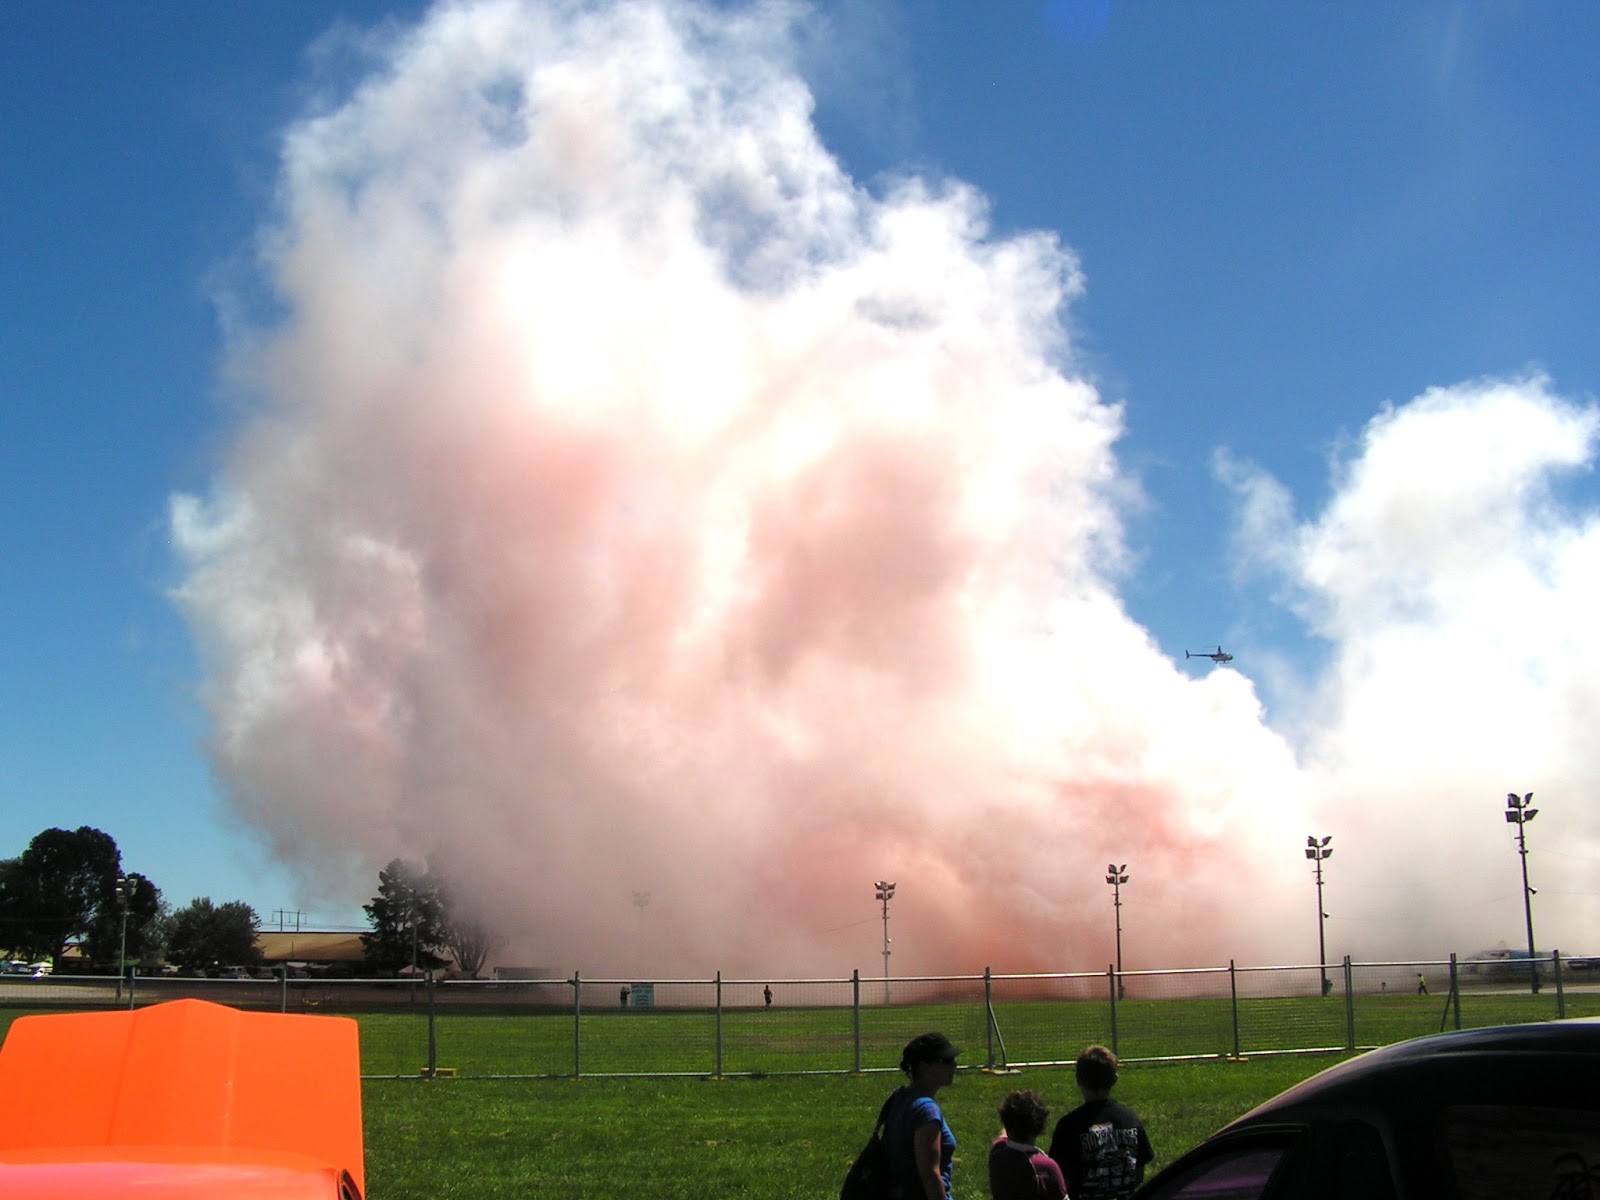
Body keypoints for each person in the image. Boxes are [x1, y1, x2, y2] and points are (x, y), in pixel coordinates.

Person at [1048, 1045, 1153, 1200]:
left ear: (1078, 1080)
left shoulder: (1068, 1126)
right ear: (1115, 1079)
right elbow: (1138, 1174)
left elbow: (1060, 1180)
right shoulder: (1131, 1120)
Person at [886, 1031, 960, 1200]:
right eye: (947, 1061)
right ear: (925, 1067)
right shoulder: (927, 1111)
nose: (954, 1066)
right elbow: (930, 1176)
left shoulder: (899, 1097)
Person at [989, 1089, 1067, 1200]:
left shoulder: (998, 1151)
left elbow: (1003, 1136)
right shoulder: (1046, 1167)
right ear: (1040, 1126)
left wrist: (1012, 1117)